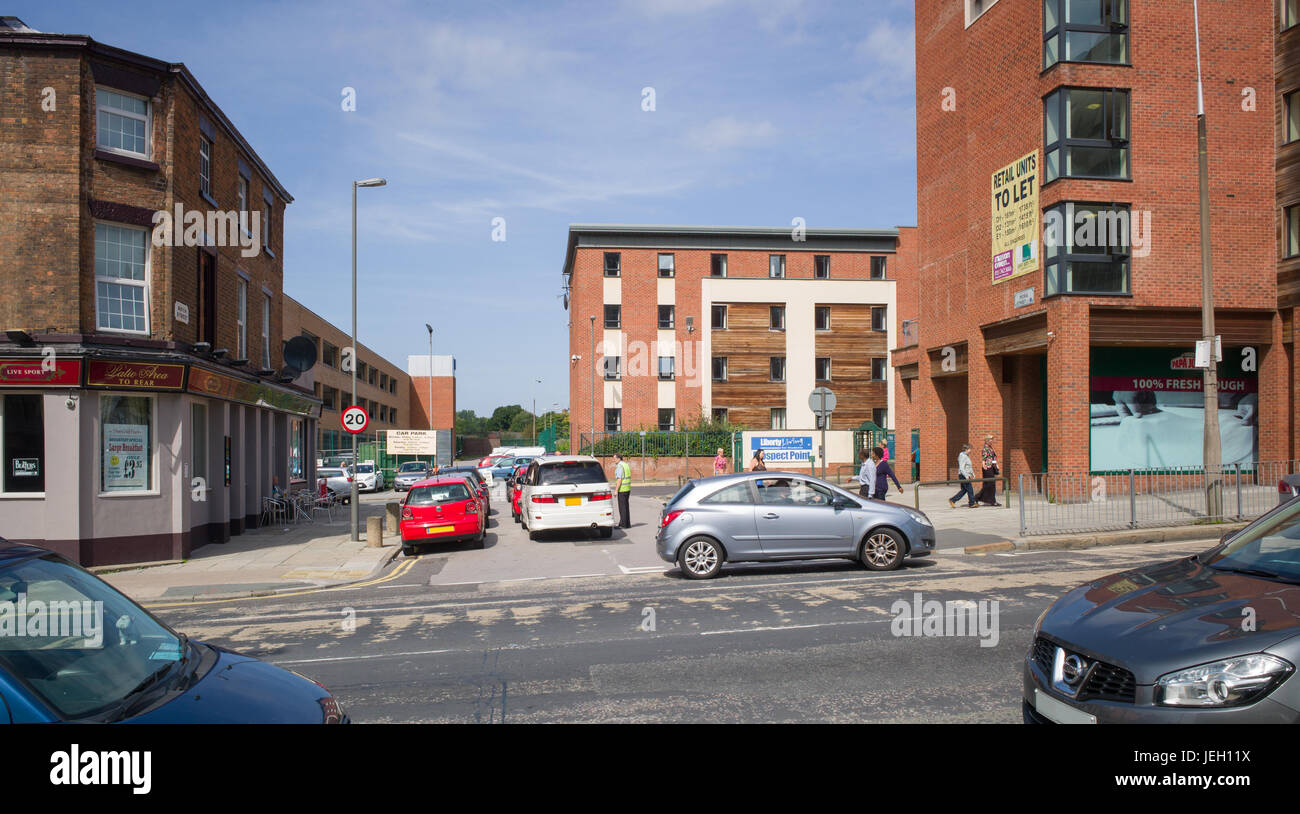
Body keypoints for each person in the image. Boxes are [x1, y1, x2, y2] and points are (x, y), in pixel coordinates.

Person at [948, 443, 978, 508]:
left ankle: (953, 500)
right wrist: (966, 476)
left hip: (966, 475)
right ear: (967, 449)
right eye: (970, 449)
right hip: (963, 475)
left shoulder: (966, 456)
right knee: (970, 489)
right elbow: (962, 467)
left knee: (964, 490)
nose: (971, 451)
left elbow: (969, 466)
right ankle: (971, 503)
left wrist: (972, 474)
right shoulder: (963, 456)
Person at [977, 434, 1001, 506]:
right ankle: (979, 498)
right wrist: (983, 464)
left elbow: (993, 458)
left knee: (990, 485)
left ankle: (990, 500)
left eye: (992, 439)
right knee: (989, 484)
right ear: (987, 440)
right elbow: (984, 458)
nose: (992, 441)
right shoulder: (985, 448)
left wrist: (996, 465)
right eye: (991, 439)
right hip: (987, 467)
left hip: (992, 467)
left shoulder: (991, 448)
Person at [613, 452, 632, 528]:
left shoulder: (620, 466)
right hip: (627, 489)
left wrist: (616, 490)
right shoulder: (625, 464)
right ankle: (627, 524)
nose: (613, 460)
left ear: (618, 458)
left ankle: (623, 524)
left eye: (614, 458)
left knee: (622, 508)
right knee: (626, 507)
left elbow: (619, 479)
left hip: (622, 489)